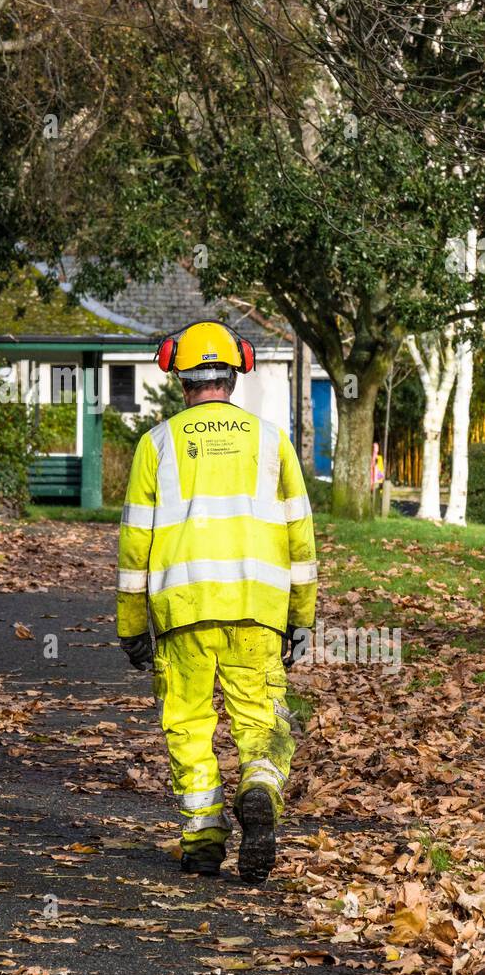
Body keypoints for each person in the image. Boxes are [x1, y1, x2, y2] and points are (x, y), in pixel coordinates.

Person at [117, 321, 317, 883]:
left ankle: (203, 840)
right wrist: (302, 618)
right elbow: (301, 538)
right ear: (236, 373)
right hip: (260, 609)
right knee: (260, 718)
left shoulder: (156, 444)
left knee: (187, 723)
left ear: (179, 377)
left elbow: (136, 544)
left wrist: (132, 625)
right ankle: (259, 787)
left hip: (183, 613)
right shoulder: (273, 441)